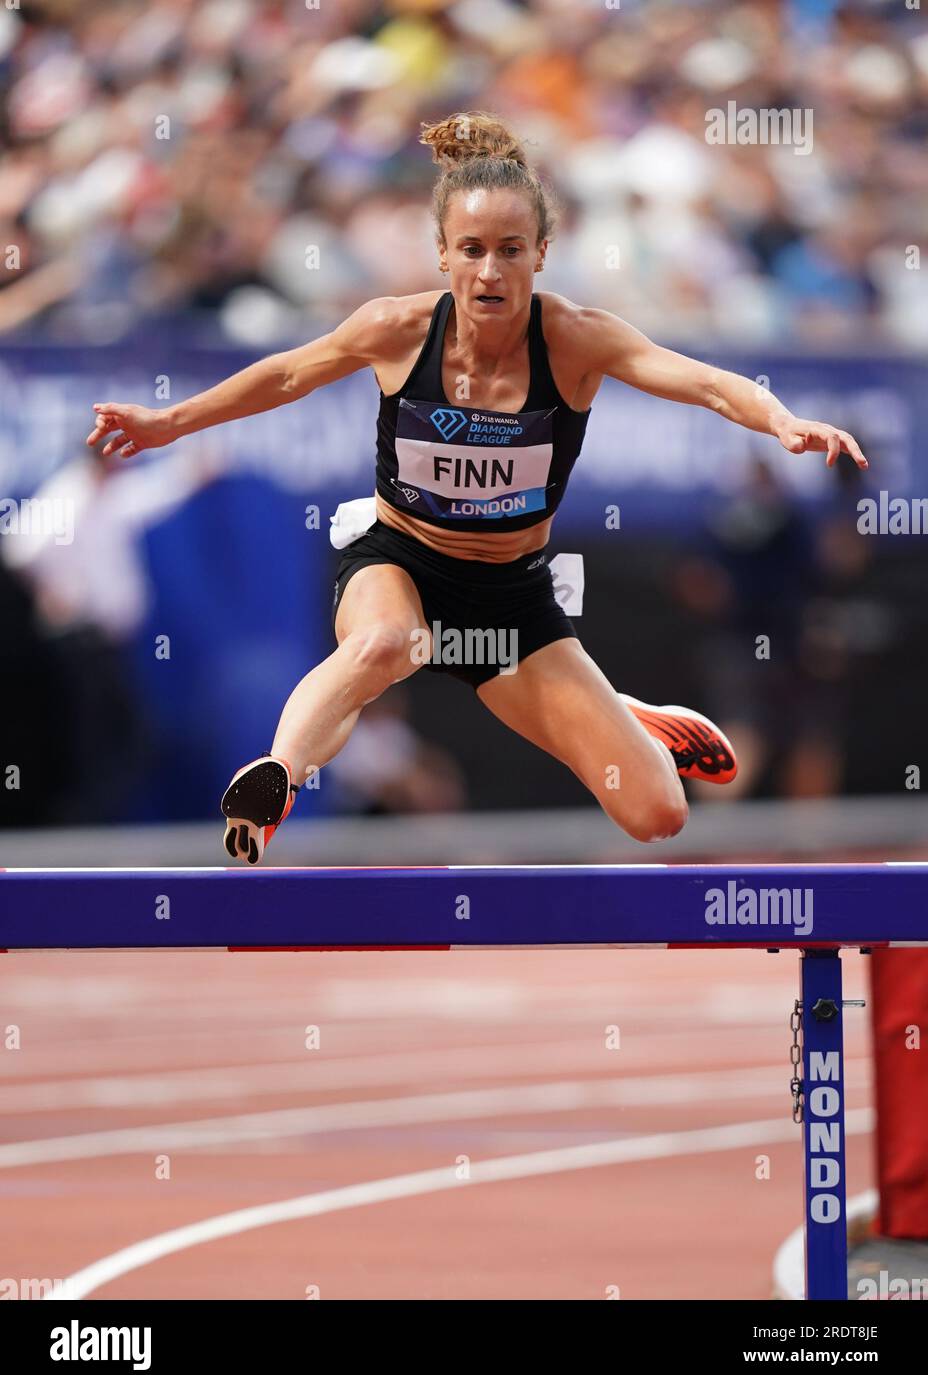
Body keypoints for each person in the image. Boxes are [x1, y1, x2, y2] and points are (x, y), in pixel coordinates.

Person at [86, 111, 868, 865]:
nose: (490, 271)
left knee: (658, 815)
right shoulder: (394, 328)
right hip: (398, 558)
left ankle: (633, 720)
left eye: (510, 250)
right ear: (441, 254)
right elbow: (287, 373)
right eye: (471, 249)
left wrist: (780, 419)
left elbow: (700, 382)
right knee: (383, 645)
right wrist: (169, 422)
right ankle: (276, 780)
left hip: (510, 599)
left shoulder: (574, 340)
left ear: (542, 253)